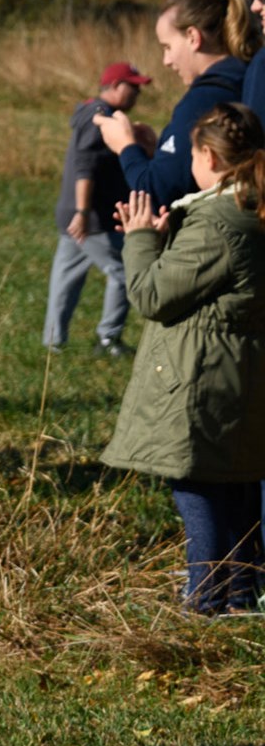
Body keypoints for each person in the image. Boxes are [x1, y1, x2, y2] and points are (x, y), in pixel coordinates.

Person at [102, 102, 265, 614]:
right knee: (232, 488)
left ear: (209, 158)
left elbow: (151, 294)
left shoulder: (218, 221)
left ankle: (205, 598)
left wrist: (141, 237)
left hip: (199, 380)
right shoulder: (248, 210)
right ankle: (240, 594)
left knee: (195, 487)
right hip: (236, 374)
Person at [98, 0, 256, 208]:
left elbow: (155, 191)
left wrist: (125, 146)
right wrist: (159, 152)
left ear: (193, 37)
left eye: (168, 47)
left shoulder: (203, 100)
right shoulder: (248, 77)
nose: (166, 60)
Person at [43, 62, 151, 356]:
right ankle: (109, 339)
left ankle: (53, 341)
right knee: (125, 272)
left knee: (66, 274)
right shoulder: (100, 118)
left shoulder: (93, 113)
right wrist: (82, 212)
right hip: (92, 218)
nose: (137, 93)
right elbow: (85, 165)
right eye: (133, 86)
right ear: (115, 86)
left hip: (77, 214)